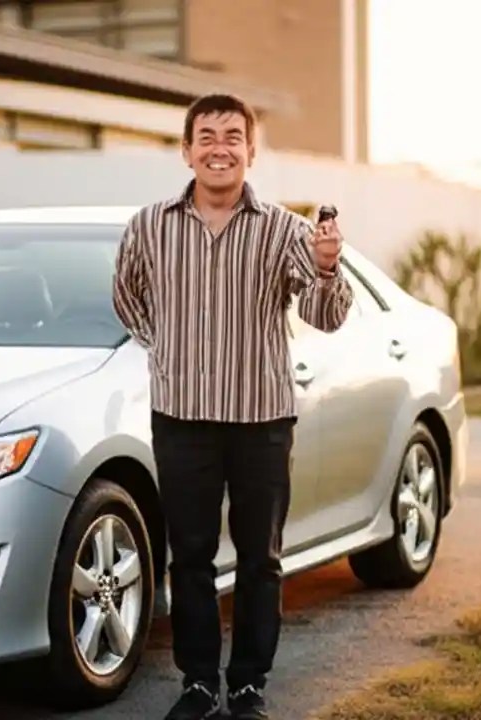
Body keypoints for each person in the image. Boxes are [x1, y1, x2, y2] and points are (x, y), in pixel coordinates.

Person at [111, 93, 353, 720]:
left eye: (233, 137)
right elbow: (126, 296)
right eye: (207, 137)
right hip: (181, 419)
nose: (220, 149)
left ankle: (247, 686)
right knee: (190, 558)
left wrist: (327, 267)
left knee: (259, 560)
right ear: (186, 150)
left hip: (261, 422)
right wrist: (168, 348)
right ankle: (197, 684)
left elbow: (324, 315)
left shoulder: (283, 230)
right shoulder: (149, 226)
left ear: (251, 150)